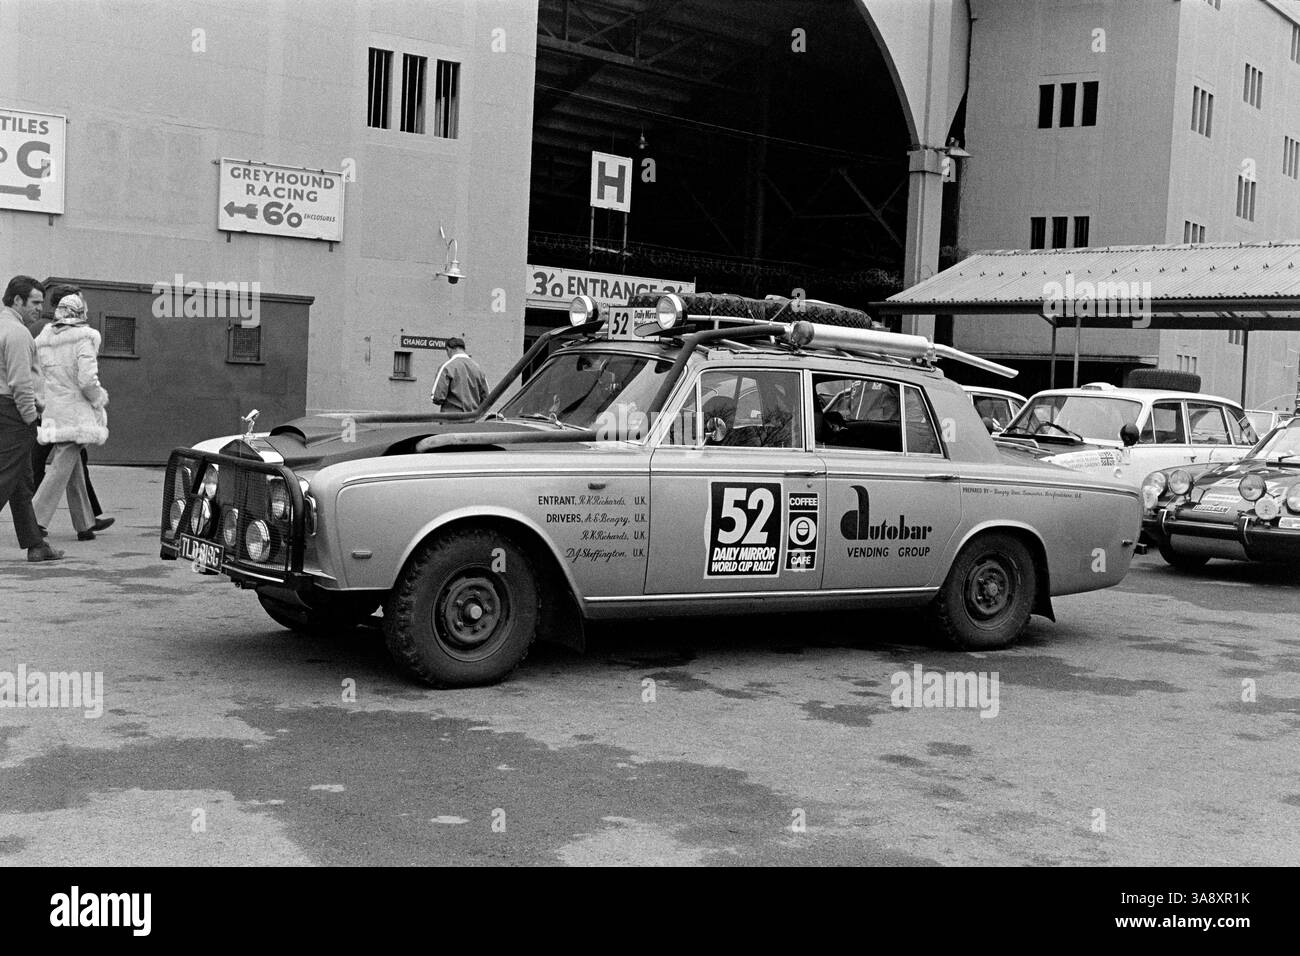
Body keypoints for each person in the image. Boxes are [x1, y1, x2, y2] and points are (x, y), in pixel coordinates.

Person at [29, 285, 112, 535]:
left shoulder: (44, 339)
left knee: (72, 465)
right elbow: (87, 381)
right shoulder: (83, 338)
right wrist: (99, 399)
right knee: (61, 466)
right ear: (81, 313)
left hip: (53, 411)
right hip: (77, 413)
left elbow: (37, 377)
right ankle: (34, 520)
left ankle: (85, 524)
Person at [0, 275, 63, 561]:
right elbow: (20, 384)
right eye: (35, 302)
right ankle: (36, 544)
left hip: (5, 409)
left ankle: (36, 545)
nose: (41, 308)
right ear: (17, 300)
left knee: (22, 481)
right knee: (6, 478)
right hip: (13, 413)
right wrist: (30, 419)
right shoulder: (17, 333)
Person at [430, 336, 489, 413]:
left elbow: (437, 397)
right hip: (472, 418)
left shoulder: (447, 367)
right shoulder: (478, 368)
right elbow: (487, 398)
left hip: (451, 419)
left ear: (448, 349)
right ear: (463, 349)